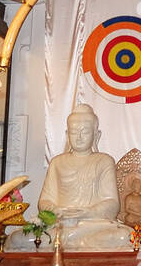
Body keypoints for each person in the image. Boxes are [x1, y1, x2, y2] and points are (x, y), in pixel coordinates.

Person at [38, 105, 131, 249]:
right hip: (60, 224)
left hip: (91, 225)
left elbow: (113, 204)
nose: (79, 137)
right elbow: (44, 201)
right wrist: (56, 210)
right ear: (67, 135)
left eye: (85, 132)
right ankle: (74, 241)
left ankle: (71, 241)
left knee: (123, 236)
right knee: (18, 239)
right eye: (74, 132)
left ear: (96, 135)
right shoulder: (57, 163)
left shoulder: (104, 161)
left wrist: (89, 212)